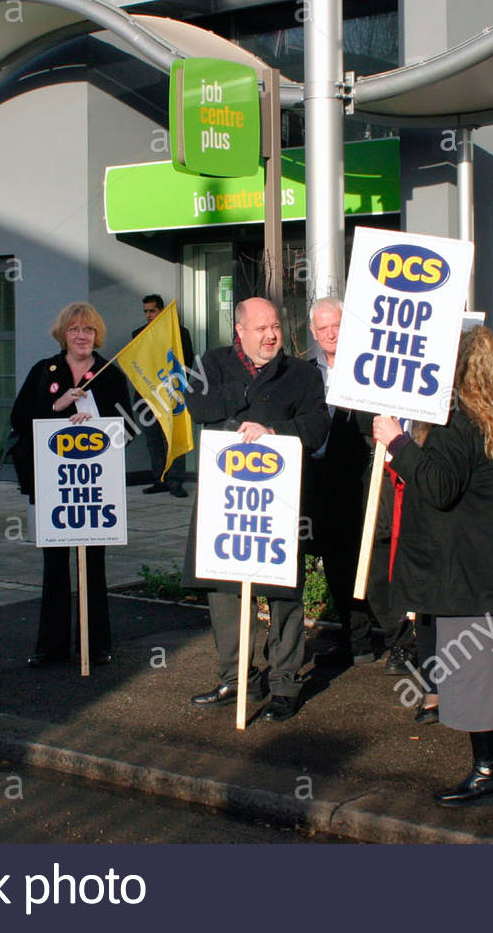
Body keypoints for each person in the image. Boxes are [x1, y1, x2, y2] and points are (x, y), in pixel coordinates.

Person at [372, 326, 493, 806]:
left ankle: (487, 772)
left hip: (468, 574)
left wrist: (397, 442)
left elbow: (439, 487)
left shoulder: (461, 422)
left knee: (472, 675)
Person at [183, 297, 329, 722]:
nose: (271, 335)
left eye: (276, 328)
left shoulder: (302, 373)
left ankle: (285, 684)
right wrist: (248, 387)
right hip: (224, 503)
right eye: (261, 328)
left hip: (278, 503)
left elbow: (317, 425)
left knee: (283, 594)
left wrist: (273, 431)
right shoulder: (210, 364)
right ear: (239, 333)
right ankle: (235, 677)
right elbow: (201, 408)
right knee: (226, 593)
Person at [11, 302, 130, 669]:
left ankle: (96, 646)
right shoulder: (44, 371)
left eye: (89, 330)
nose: (82, 336)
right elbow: (19, 420)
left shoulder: (109, 374)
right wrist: (57, 405)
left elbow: (128, 426)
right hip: (54, 486)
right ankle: (51, 646)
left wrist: (97, 423)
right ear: (64, 334)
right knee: (56, 565)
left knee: (93, 565)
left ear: (97, 336)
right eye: (76, 329)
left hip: (95, 487)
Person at [302, 297, 382, 667]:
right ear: (314, 333)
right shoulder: (302, 373)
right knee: (318, 558)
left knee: (358, 558)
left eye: (337, 326)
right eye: (323, 328)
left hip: (356, 476)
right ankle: (340, 637)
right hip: (313, 478)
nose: (331, 334)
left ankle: (366, 639)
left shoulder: (369, 368)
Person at [132, 294, 195, 498]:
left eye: (152, 311)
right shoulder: (138, 334)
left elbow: (187, 362)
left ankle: (175, 481)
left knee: (172, 439)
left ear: (161, 311)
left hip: (170, 395)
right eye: (145, 311)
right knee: (154, 441)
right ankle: (159, 480)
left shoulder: (179, 333)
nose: (148, 315)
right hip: (146, 396)